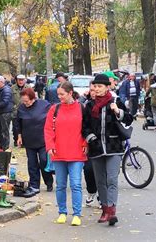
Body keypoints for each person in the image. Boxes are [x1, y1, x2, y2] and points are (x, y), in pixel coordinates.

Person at [82, 74, 133, 226]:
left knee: (112, 178)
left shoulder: (115, 101)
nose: (96, 89)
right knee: (100, 181)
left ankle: (111, 210)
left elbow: (129, 119)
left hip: (114, 147)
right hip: (96, 148)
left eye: (99, 86)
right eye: (95, 87)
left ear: (107, 87)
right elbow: (84, 126)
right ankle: (105, 209)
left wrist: (118, 112)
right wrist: (91, 138)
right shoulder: (90, 105)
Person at [44, 81, 86, 226]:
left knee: (75, 184)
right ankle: (62, 212)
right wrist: (50, 146)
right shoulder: (54, 109)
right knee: (60, 185)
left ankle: (77, 214)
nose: (59, 97)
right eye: (58, 95)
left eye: (62, 94)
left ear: (70, 93)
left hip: (76, 152)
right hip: (59, 152)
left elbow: (87, 128)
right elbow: (48, 129)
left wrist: (85, 143)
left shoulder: (81, 108)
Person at [14, 88, 53, 196]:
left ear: (33, 99)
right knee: (32, 163)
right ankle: (34, 185)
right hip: (29, 139)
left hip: (43, 139)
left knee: (44, 161)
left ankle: (48, 181)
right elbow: (18, 123)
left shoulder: (44, 104)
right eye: (23, 101)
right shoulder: (21, 108)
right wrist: (19, 136)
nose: (25, 103)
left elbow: (53, 118)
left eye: (27, 101)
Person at [82, 83, 99, 208]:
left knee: (104, 172)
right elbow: (83, 125)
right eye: (91, 90)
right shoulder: (87, 105)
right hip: (90, 142)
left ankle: (103, 197)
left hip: (106, 144)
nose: (93, 92)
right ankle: (92, 191)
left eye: (96, 89)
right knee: (88, 170)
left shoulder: (111, 102)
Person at [0, 76, 13, 151]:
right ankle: (2, 146)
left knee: (4, 131)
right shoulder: (1, 90)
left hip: (6, 112)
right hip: (2, 112)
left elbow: (5, 102)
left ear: (1, 82)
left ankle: (5, 148)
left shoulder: (6, 90)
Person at [11, 75, 30, 145]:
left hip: (26, 110)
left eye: (22, 80)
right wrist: (13, 107)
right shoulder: (12, 88)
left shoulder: (28, 87)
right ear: (16, 80)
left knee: (25, 126)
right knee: (15, 127)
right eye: (19, 80)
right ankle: (16, 141)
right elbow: (10, 99)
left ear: (25, 80)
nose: (21, 81)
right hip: (16, 111)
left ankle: (25, 142)